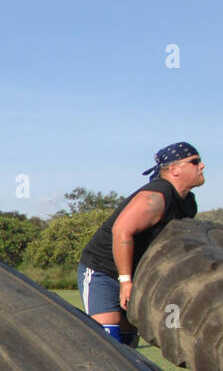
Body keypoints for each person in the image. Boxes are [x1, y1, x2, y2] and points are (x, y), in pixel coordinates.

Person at [77, 142, 204, 343]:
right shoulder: (157, 195)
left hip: (135, 277)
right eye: (194, 161)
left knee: (127, 345)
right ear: (173, 168)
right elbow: (122, 231)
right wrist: (125, 280)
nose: (202, 166)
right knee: (107, 342)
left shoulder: (188, 203)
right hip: (102, 271)